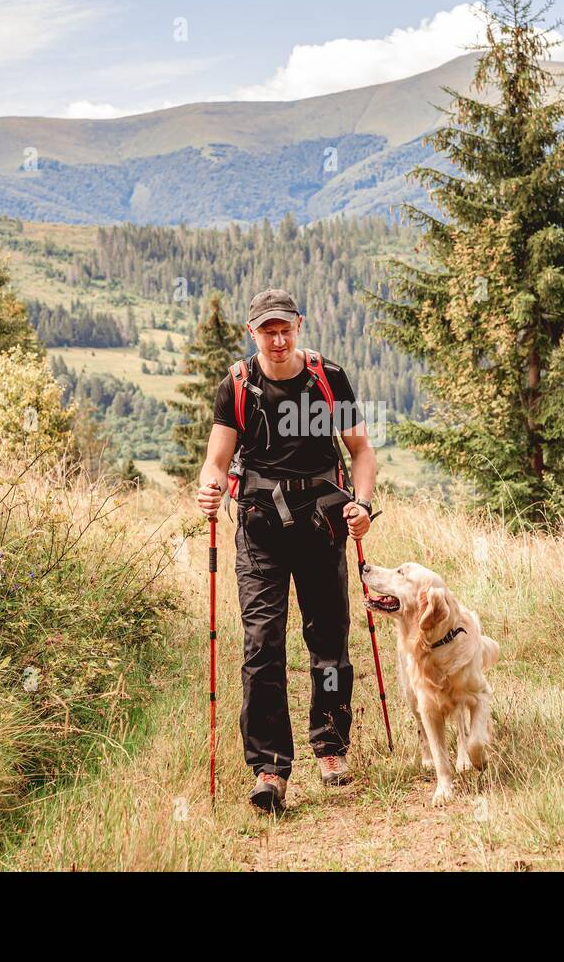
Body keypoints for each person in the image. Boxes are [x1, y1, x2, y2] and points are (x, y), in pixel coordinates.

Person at [197, 288, 376, 813]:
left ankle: (330, 746)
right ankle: (270, 767)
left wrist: (362, 505)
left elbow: (361, 451)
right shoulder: (236, 386)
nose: (277, 339)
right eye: (266, 330)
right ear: (251, 332)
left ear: (299, 324)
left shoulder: (329, 378)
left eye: (284, 328)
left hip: (322, 526)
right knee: (262, 644)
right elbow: (216, 461)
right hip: (259, 531)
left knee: (328, 639)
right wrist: (208, 486)